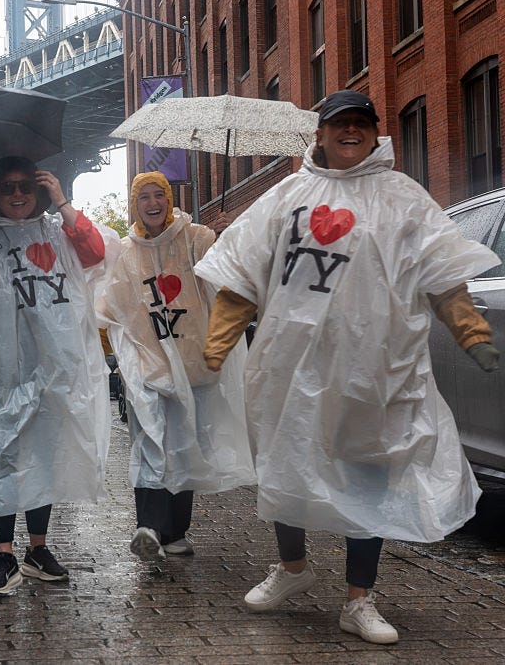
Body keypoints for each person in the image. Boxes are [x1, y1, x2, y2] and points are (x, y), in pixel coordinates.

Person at [193, 90, 502, 645]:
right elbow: (244, 272)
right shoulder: (287, 196)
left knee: (367, 470)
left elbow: (441, 269)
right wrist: (218, 342)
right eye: (340, 124)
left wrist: (472, 332)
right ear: (321, 133)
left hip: (373, 366)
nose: (351, 131)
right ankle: (291, 569)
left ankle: (359, 599)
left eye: (361, 123)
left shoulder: (402, 197)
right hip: (289, 362)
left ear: (374, 132)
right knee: (284, 461)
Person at [0, 156, 118, 594]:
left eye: (26, 187)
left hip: (51, 369)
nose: (16, 194)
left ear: (39, 190)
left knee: (43, 459)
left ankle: (38, 549)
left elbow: (96, 254)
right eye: (8, 186)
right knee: (2, 460)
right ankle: (4, 554)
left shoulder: (56, 231)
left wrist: (63, 202)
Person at [95, 171, 255, 562]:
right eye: (144, 197)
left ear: (169, 199)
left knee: (184, 447)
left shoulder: (196, 240)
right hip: (147, 366)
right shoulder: (126, 256)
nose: (152, 203)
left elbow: (225, 277)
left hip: (193, 362)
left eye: (158, 195)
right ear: (135, 205)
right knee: (150, 442)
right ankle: (147, 526)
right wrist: (103, 350)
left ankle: (174, 531)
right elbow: (109, 308)